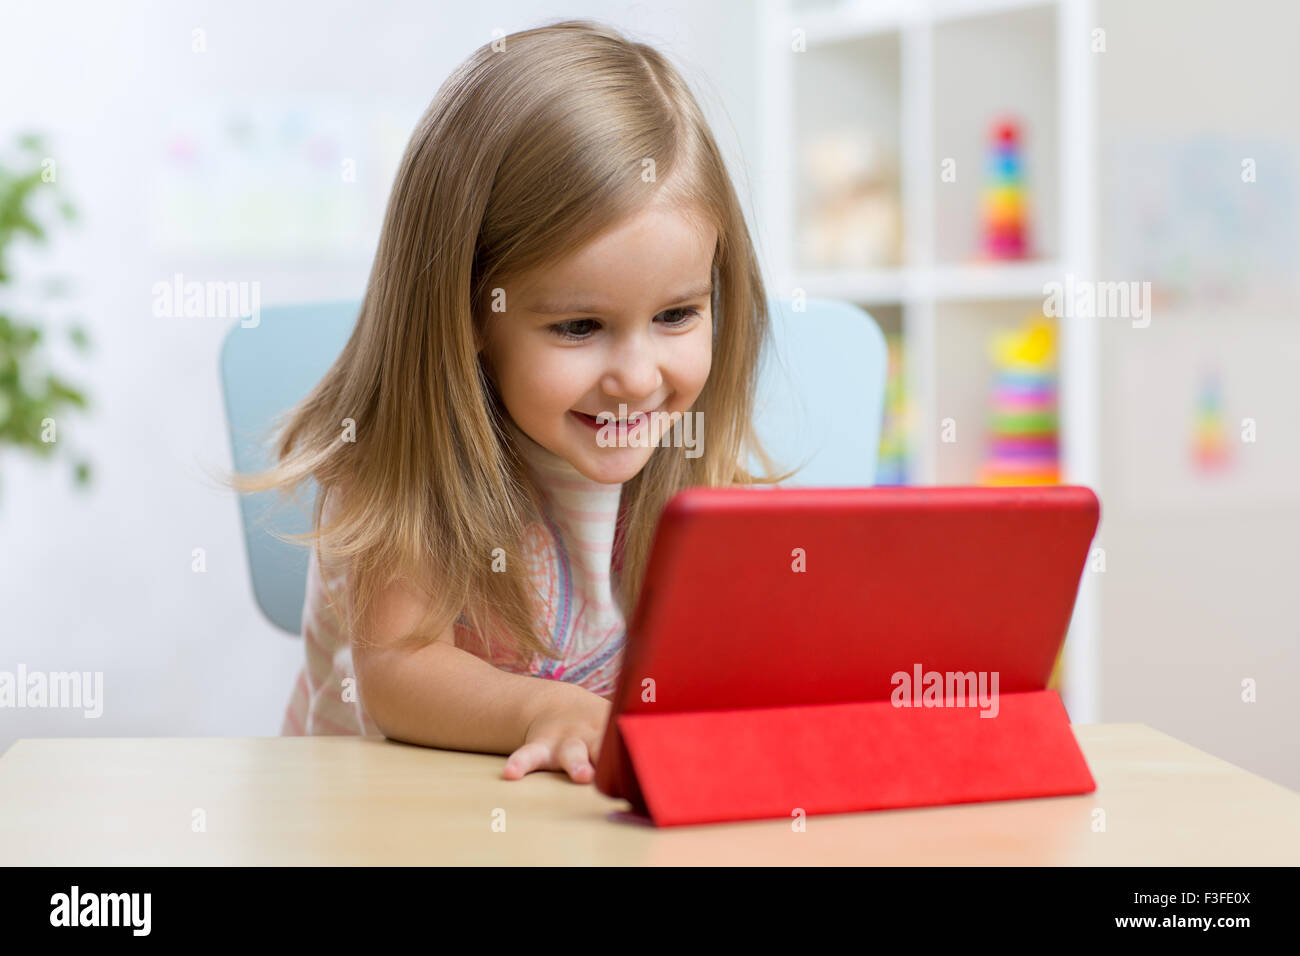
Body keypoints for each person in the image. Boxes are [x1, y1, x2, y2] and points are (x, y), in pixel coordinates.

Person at [228, 19, 785, 783]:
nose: (637, 375)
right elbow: (398, 673)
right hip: (369, 824)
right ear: (467, 314)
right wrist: (539, 711)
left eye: (676, 315)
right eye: (580, 326)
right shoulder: (406, 462)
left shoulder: (683, 450)